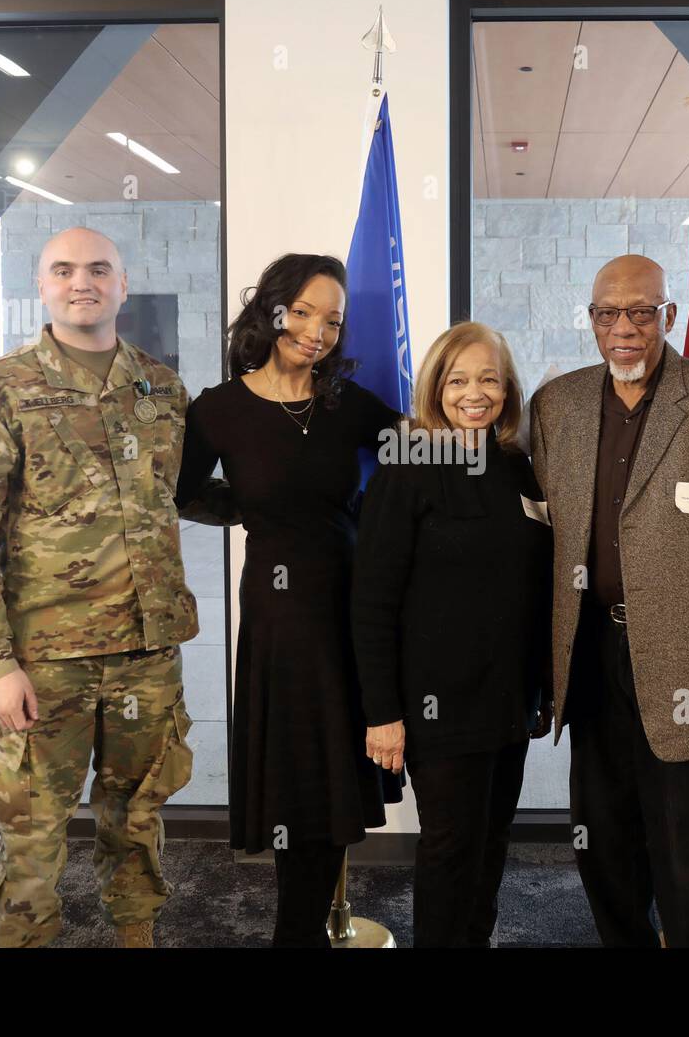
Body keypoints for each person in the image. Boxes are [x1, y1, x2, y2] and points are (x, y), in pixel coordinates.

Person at [0, 226, 197, 948]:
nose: (83, 281)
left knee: (138, 818)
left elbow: (187, 492)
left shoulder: (161, 388)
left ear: (122, 283)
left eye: (99, 268)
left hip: (146, 652)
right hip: (42, 661)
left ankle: (137, 935)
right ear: (43, 286)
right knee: (30, 835)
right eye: (64, 269)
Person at [528, 254, 689, 948]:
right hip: (590, 657)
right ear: (591, 321)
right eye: (607, 313)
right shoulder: (558, 407)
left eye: (642, 311)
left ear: (669, 316)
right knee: (604, 848)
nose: (624, 329)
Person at [175, 253, 400, 948]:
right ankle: (295, 932)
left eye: (331, 319)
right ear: (272, 310)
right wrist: (248, 508)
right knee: (298, 779)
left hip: (351, 608)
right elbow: (181, 493)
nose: (317, 331)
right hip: (279, 616)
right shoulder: (217, 408)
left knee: (334, 778)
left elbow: (418, 454)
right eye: (303, 312)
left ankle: (303, 931)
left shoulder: (346, 402)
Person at [352, 323, 553, 948]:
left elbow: (536, 588)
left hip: (508, 699)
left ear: (508, 388)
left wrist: (542, 688)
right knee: (449, 848)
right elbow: (372, 600)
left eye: (489, 379)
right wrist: (382, 713)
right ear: (436, 387)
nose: (475, 393)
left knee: (492, 842)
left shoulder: (519, 467)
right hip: (435, 703)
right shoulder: (407, 468)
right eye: (459, 379)